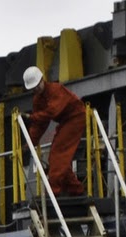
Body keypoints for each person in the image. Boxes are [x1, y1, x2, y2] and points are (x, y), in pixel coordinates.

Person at [23, 65, 86, 197]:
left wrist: (32, 117)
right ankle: (76, 190)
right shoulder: (38, 99)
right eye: (33, 88)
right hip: (66, 121)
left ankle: (54, 192)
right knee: (56, 157)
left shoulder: (55, 90)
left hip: (76, 118)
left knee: (58, 153)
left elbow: (52, 112)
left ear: (42, 79)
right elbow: (39, 124)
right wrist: (30, 143)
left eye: (36, 85)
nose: (36, 89)